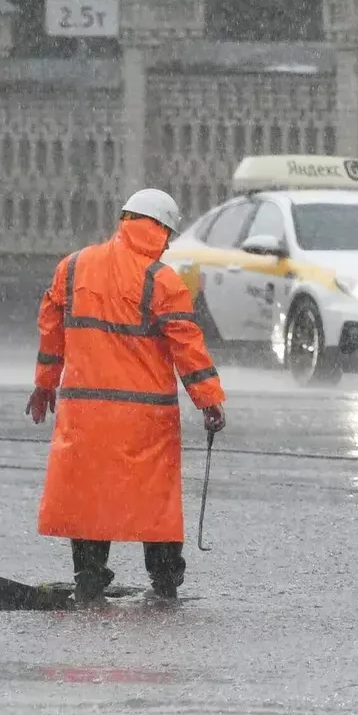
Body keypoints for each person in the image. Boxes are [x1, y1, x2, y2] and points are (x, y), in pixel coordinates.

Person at [27, 189, 227, 606]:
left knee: (88, 496)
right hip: (144, 417)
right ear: (160, 230)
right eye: (168, 236)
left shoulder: (72, 267)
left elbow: (52, 331)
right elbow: (186, 345)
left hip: (85, 412)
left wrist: (45, 383)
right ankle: (166, 578)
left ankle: (89, 576)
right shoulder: (161, 280)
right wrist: (208, 399)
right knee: (154, 501)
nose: (169, 245)